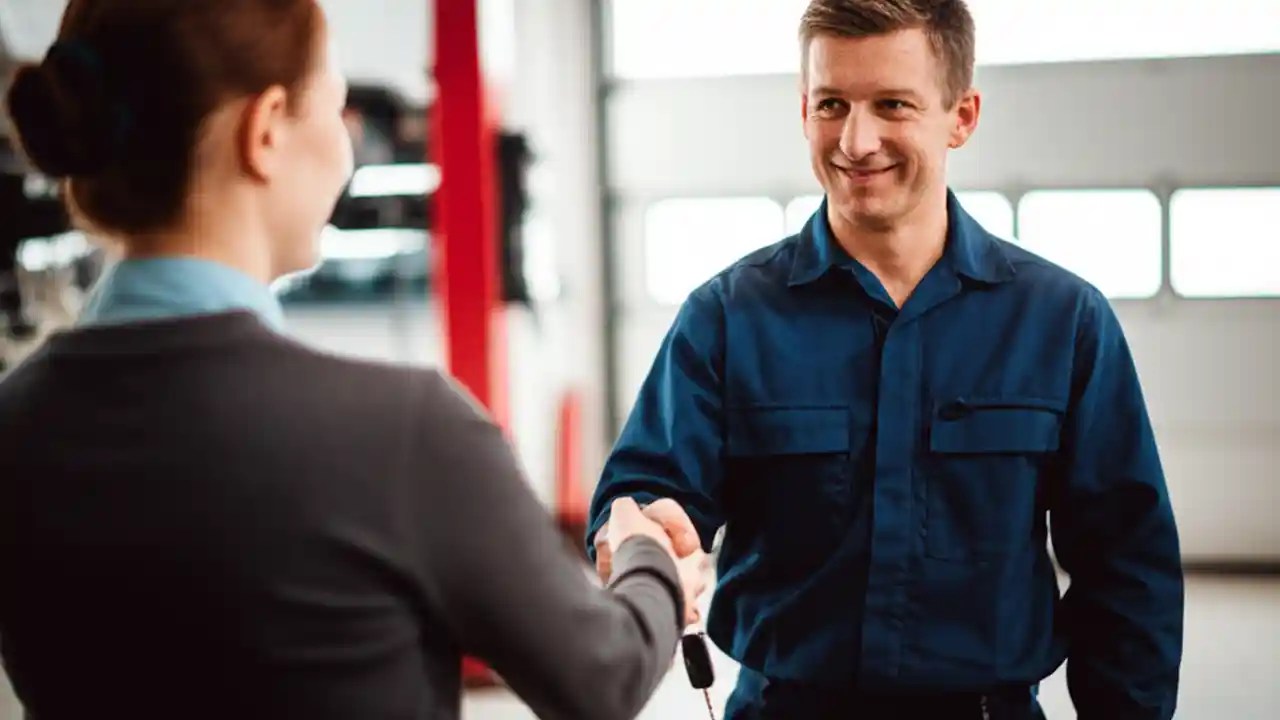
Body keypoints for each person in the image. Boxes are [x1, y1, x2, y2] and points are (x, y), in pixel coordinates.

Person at [0, 2, 707, 719]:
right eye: (337, 108)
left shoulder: (16, 423)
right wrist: (649, 558)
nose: (347, 147)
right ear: (266, 130)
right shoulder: (402, 432)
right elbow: (603, 676)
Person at [586, 1, 1185, 718]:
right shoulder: (727, 319)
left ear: (961, 116)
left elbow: (1126, 567)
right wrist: (640, 527)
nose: (856, 140)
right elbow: (644, 494)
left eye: (892, 105)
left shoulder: (1061, 321)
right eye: (832, 104)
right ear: (804, 107)